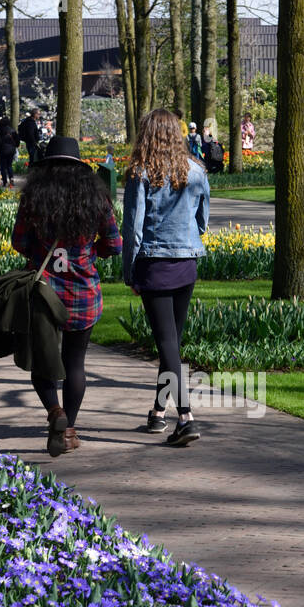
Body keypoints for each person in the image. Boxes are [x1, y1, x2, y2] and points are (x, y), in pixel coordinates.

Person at [10, 136, 122, 456]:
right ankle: (67, 428)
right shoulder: (97, 200)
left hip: (44, 292)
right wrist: (89, 253)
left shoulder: (33, 198)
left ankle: (55, 413)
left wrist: (39, 252)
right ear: (79, 168)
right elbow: (114, 245)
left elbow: (19, 242)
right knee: (75, 364)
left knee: (43, 362)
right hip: (83, 294)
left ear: (45, 168)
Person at [123, 108, 211, 446]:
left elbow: (132, 228)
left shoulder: (140, 173)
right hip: (187, 262)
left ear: (146, 135)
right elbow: (203, 220)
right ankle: (158, 413)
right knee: (170, 343)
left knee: (168, 344)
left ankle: (185, 417)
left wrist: (129, 271)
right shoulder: (196, 171)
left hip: (155, 263)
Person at [0, 116, 19, 187]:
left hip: (2, 150)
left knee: (2, 166)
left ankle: (5, 181)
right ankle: (11, 178)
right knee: (9, 165)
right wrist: (15, 146)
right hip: (11, 150)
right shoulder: (13, 130)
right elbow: (17, 141)